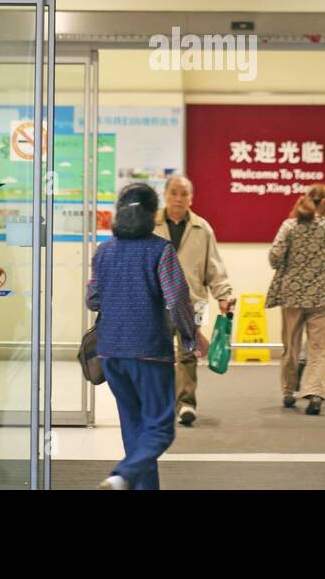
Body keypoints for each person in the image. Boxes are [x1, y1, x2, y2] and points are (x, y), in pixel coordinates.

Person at [86, 183, 205, 490]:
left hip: (110, 353)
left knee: (134, 430)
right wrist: (191, 338)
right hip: (149, 351)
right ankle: (122, 475)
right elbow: (177, 299)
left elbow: (92, 300)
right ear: (153, 215)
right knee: (161, 429)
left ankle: (132, 481)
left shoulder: (104, 251)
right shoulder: (160, 250)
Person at [153, 174, 235, 426]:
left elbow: (214, 266)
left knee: (189, 353)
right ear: (165, 195)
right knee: (157, 353)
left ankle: (186, 403)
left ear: (192, 198)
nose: (178, 198)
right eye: (174, 192)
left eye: (184, 194)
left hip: (192, 301)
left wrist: (224, 294)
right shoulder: (150, 225)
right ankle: (159, 404)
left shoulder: (202, 228)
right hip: (157, 300)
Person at [266, 183, 325, 416]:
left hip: (293, 295)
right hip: (322, 295)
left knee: (291, 346)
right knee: (319, 348)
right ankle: (315, 393)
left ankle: (289, 391)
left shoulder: (290, 226)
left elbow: (274, 258)